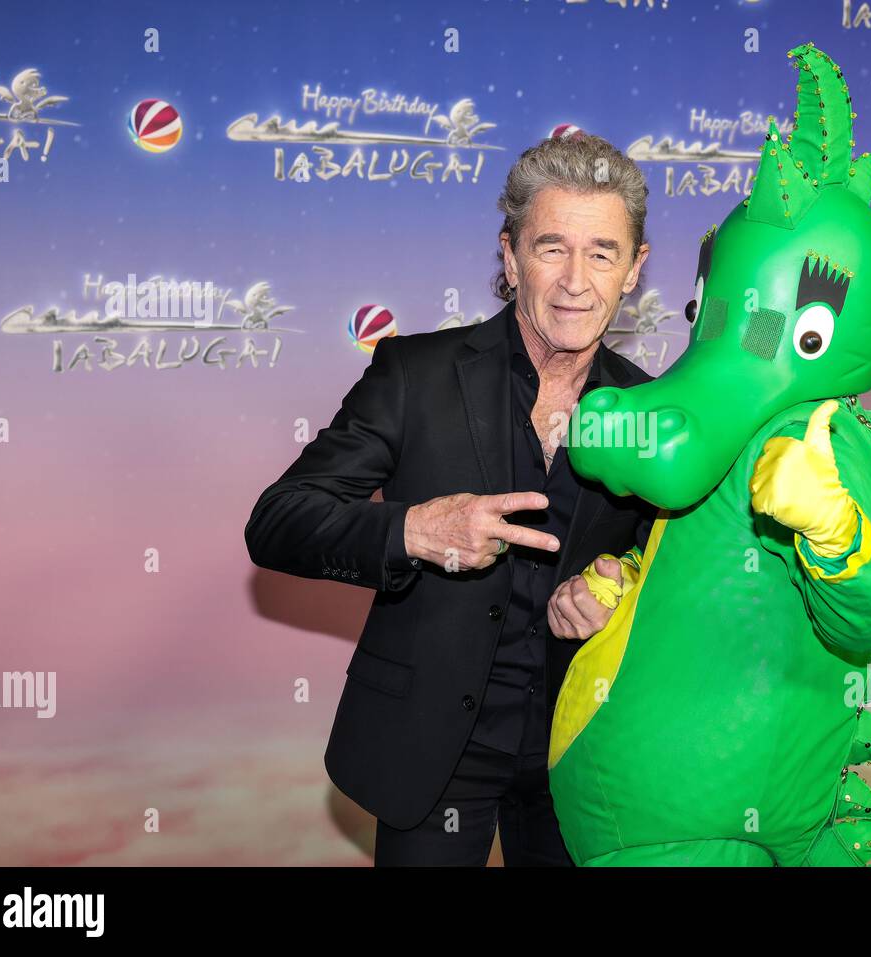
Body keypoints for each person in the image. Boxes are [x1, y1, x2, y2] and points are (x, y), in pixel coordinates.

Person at [244, 132, 657, 865]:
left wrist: (626, 583)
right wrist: (412, 529)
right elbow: (278, 522)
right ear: (509, 256)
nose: (574, 281)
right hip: (432, 753)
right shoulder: (414, 373)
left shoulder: (662, 414)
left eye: (602, 253)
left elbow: (687, 565)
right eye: (550, 247)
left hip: (585, 751)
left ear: (633, 271)